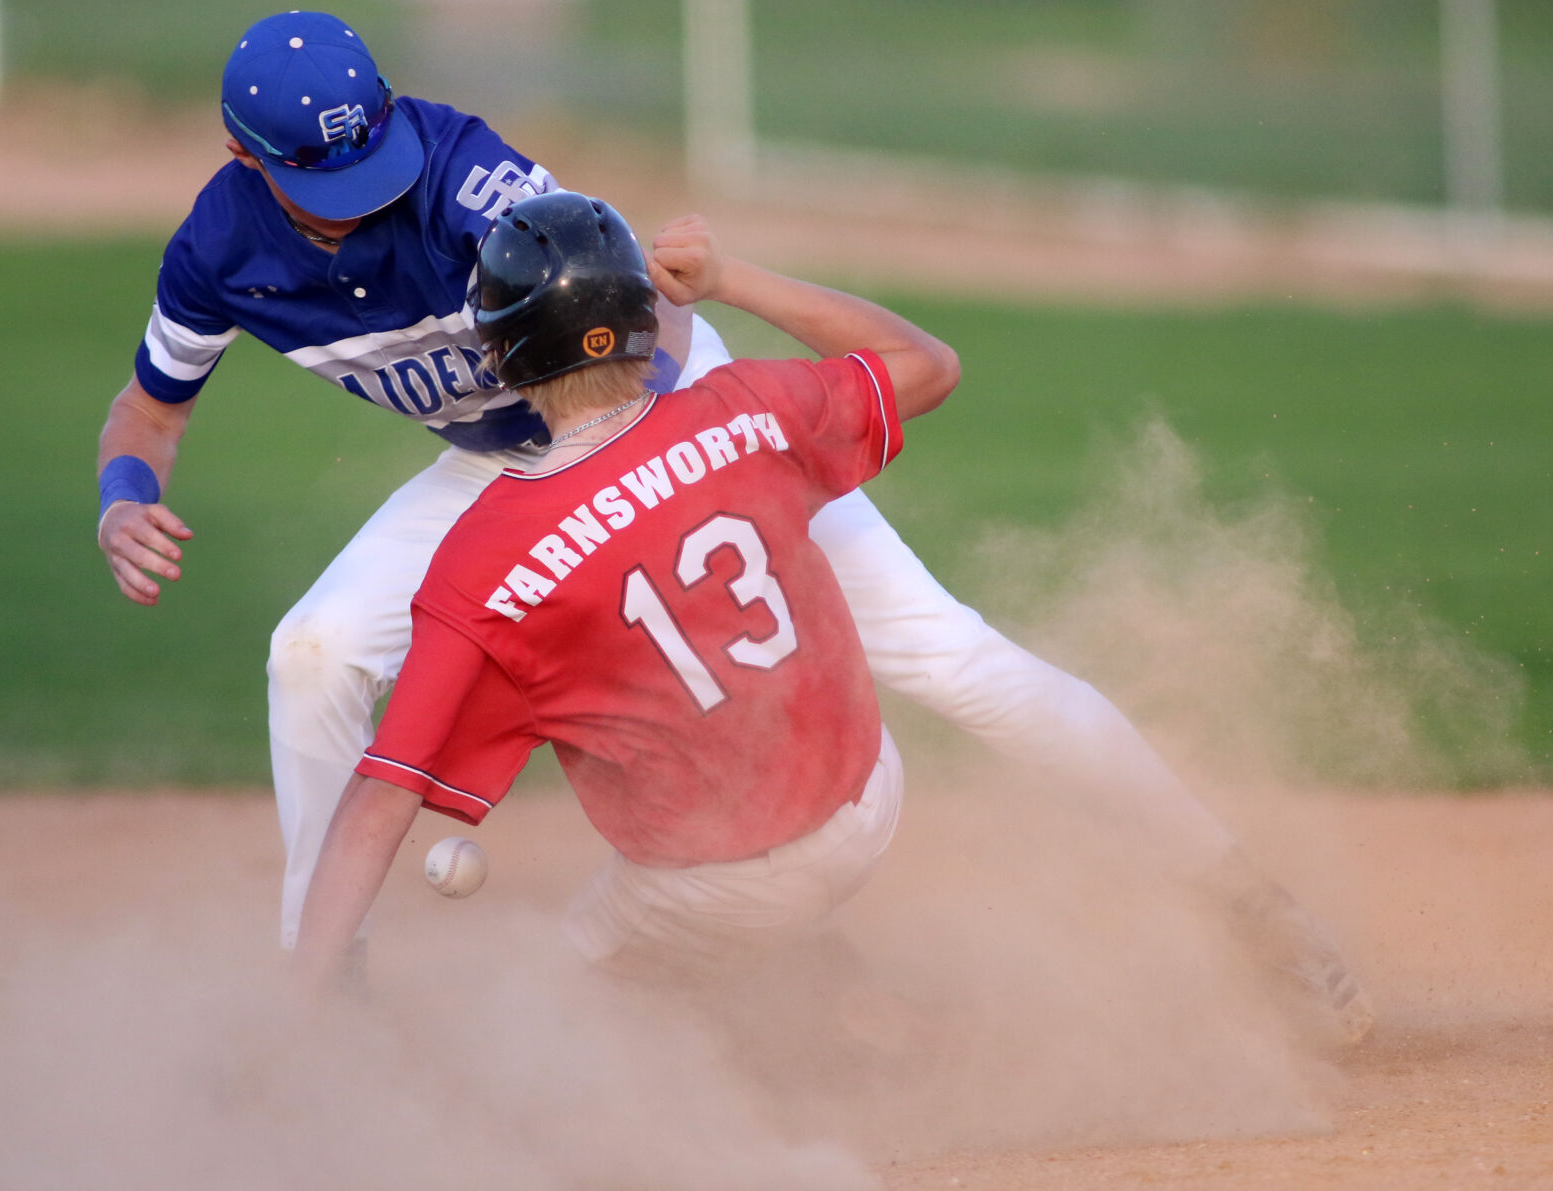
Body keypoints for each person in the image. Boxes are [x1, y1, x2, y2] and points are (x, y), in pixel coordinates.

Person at [96, 11, 1371, 1041]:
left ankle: (1249, 903)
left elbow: (622, 326)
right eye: (324, 181)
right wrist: (125, 497)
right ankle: (321, 996)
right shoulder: (217, 254)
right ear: (244, 155)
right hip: (504, 466)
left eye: (369, 159)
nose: (363, 195)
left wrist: (623, 527)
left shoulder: (467, 175)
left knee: (949, 655)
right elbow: (146, 418)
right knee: (311, 654)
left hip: (671, 414)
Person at [293, 192, 956, 988]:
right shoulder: (750, 407)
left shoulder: (484, 562)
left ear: (499, 359)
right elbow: (929, 363)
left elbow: (383, 793)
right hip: (870, 796)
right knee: (736, 889)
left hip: (718, 887)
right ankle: (796, 962)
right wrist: (728, 277)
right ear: (646, 322)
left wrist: (304, 996)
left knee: (545, 1008)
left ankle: (789, 1012)